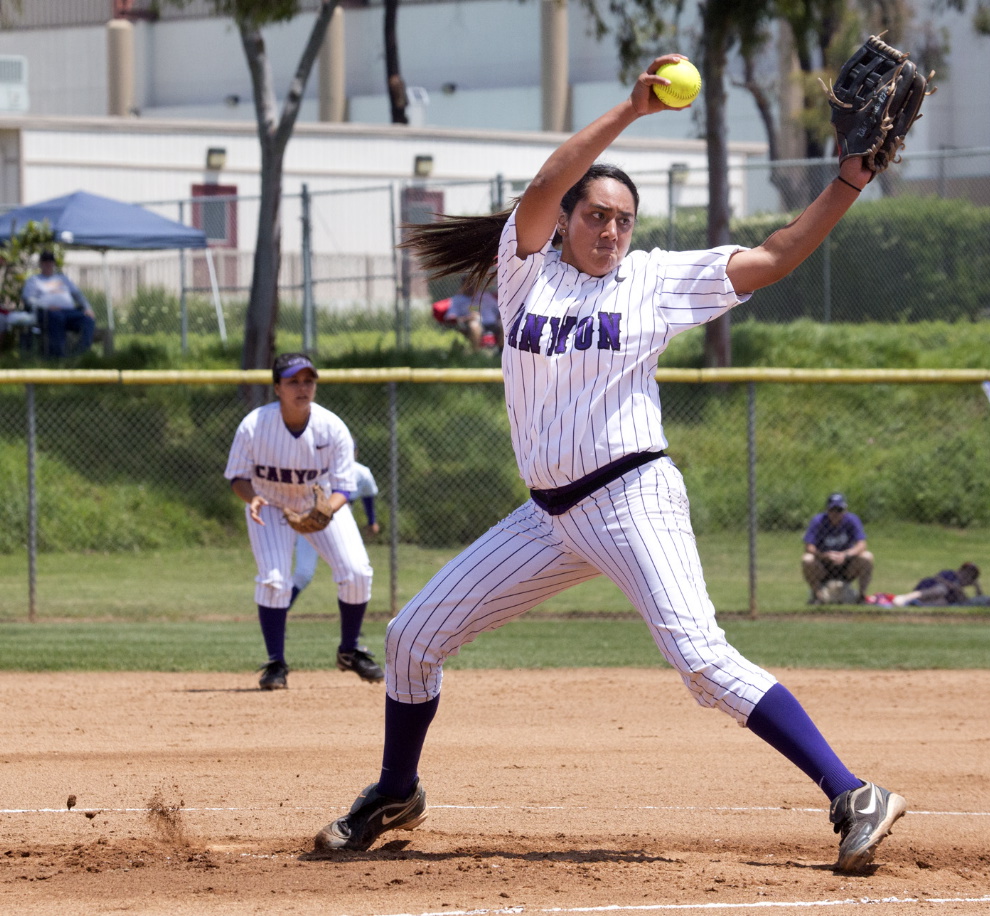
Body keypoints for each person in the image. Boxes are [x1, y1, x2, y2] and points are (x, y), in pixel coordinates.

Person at [313, 55, 906, 873]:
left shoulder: (654, 282)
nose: (611, 231)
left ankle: (853, 793)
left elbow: (774, 257)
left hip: (633, 497)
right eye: (596, 215)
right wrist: (630, 109)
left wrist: (849, 180)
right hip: (550, 518)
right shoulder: (526, 274)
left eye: (624, 219)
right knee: (412, 637)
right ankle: (395, 789)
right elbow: (543, 184)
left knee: (701, 661)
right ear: (564, 220)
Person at [224, 352, 384, 691]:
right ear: (277, 388)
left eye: (308, 380)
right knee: (274, 580)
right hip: (268, 504)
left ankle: (350, 650)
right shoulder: (254, 425)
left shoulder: (332, 427)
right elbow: (237, 477)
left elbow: (344, 485)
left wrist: (325, 511)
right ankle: (275, 663)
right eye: (293, 381)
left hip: (320, 503)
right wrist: (251, 497)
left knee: (357, 572)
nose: (302, 387)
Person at [291, 450, 382, 605]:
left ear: (356, 452)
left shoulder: (362, 473)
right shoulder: (319, 469)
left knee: (356, 573)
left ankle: (353, 625)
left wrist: (371, 521)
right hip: (312, 523)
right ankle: (278, 617)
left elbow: (368, 497)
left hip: (342, 526)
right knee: (303, 574)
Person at [21, 250, 96, 358]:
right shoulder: (34, 280)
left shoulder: (62, 278)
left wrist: (88, 308)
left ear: (53, 263)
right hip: (46, 313)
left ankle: (81, 354)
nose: (48, 264)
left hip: (69, 312)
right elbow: (28, 299)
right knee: (57, 318)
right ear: (40, 264)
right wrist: (46, 306)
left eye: (50, 261)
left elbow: (78, 295)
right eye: (45, 261)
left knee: (88, 320)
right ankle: (58, 356)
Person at [802, 493, 874, 604]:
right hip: (824, 566)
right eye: (832, 510)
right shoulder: (818, 521)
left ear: (845, 510)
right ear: (827, 510)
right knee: (807, 559)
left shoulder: (852, 520)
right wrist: (824, 555)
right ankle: (818, 597)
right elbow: (808, 546)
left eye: (839, 510)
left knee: (867, 557)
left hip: (846, 566)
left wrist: (846, 555)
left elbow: (862, 544)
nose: (835, 513)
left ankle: (861, 597)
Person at [866, 562, 983, 607]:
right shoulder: (950, 574)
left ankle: (916, 605)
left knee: (944, 602)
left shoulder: (960, 590)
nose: (965, 576)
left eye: (970, 576)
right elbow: (937, 578)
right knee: (941, 590)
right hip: (927, 589)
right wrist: (953, 586)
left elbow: (966, 602)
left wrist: (976, 586)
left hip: (934, 600)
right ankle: (905, 598)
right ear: (960, 570)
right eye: (965, 572)